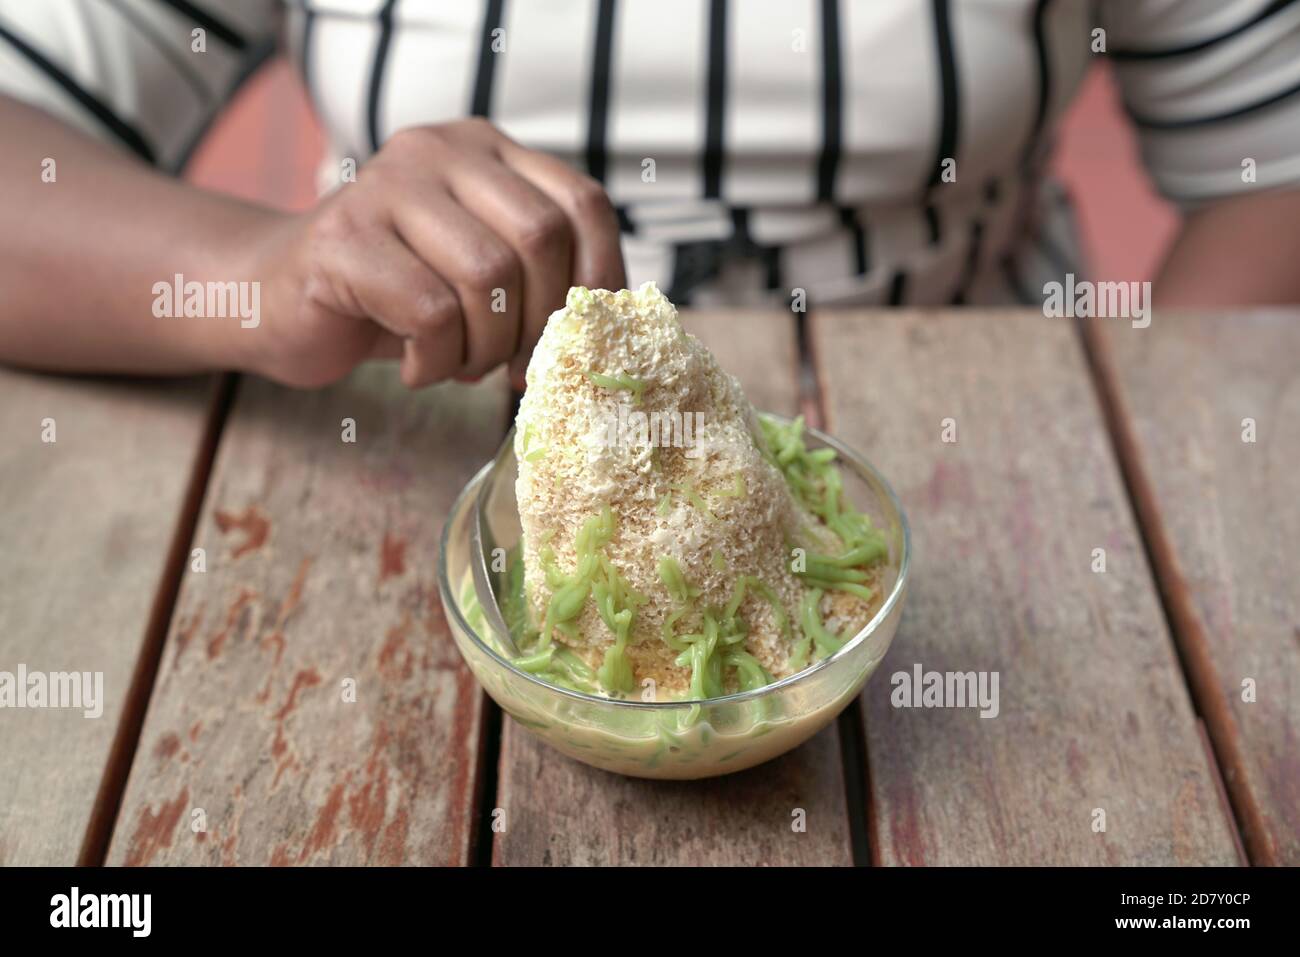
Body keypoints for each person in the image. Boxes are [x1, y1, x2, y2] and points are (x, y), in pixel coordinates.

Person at [1, 0, 1298, 390]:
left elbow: (1274, 162)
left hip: (969, 454)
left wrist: (1137, 439)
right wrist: (267, 273)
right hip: (437, 456)